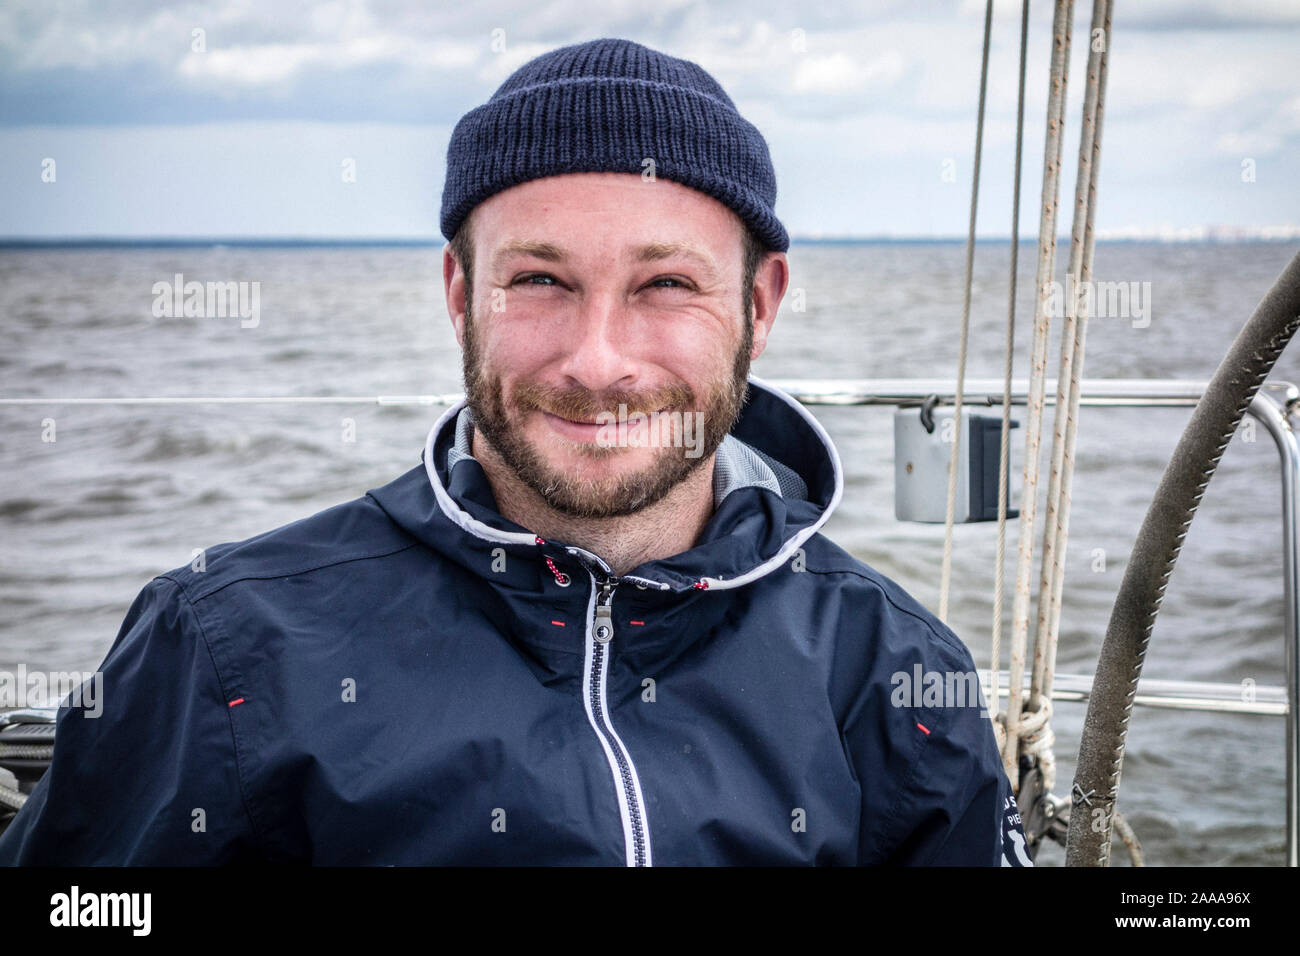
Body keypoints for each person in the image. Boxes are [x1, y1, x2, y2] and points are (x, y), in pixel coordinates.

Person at [0, 36, 1030, 866]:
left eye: (665, 283)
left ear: (758, 306)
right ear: (461, 295)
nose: (596, 359)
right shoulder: (226, 643)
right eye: (539, 279)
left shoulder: (892, 666)